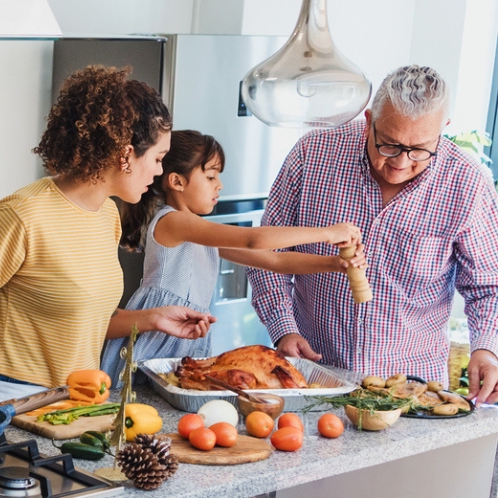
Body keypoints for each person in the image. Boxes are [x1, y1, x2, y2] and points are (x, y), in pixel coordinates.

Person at [0, 66, 214, 402]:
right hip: (15, 403)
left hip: (81, 399)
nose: (159, 171)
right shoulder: (23, 215)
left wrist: (154, 318)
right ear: (126, 154)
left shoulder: (107, 214)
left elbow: (86, 319)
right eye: (158, 158)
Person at [249, 65, 498, 403]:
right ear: (369, 121)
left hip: (411, 389)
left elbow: (488, 286)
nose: (401, 163)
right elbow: (266, 256)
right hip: (314, 375)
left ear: (443, 131)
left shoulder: (468, 183)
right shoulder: (312, 155)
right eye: (390, 145)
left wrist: (486, 348)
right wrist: (284, 329)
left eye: (420, 149)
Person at [99, 130, 365, 382]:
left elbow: (275, 261)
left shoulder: (201, 234)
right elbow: (253, 239)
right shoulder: (174, 221)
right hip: (156, 337)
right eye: (211, 177)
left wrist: (334, 263)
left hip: (184, 335)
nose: (220, 185)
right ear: (177, 182)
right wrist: (326, 233)